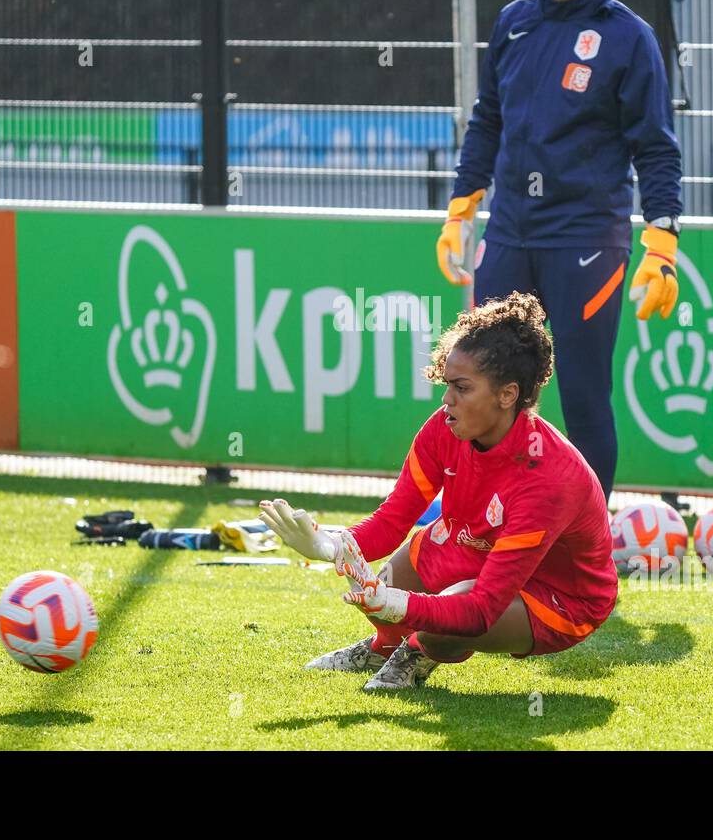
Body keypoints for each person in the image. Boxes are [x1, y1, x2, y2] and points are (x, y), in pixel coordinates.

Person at [435, 0, 684, 498]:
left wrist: (663, 240)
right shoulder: (514, 21)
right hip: (511, 234)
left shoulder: (628, 37)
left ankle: (586, 550)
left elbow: (655, 146)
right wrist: (462, 205)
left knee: (583, 393)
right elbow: (487, 119)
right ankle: (480, 526)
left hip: (587, 240)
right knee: (482, 387)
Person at [260, 292, 617, 690]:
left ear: (507, 394)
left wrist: (402, 606)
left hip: (562, 598)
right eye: (447, 385)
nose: (447, 400)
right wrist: (331, 545)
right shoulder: (444, 427)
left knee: (448, 614)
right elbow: (395, 518)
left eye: (462, 388)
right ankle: (383, 647)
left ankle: (416, 651)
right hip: (479, 548)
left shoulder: (550, 476)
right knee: (387, 582)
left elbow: (481, 609)